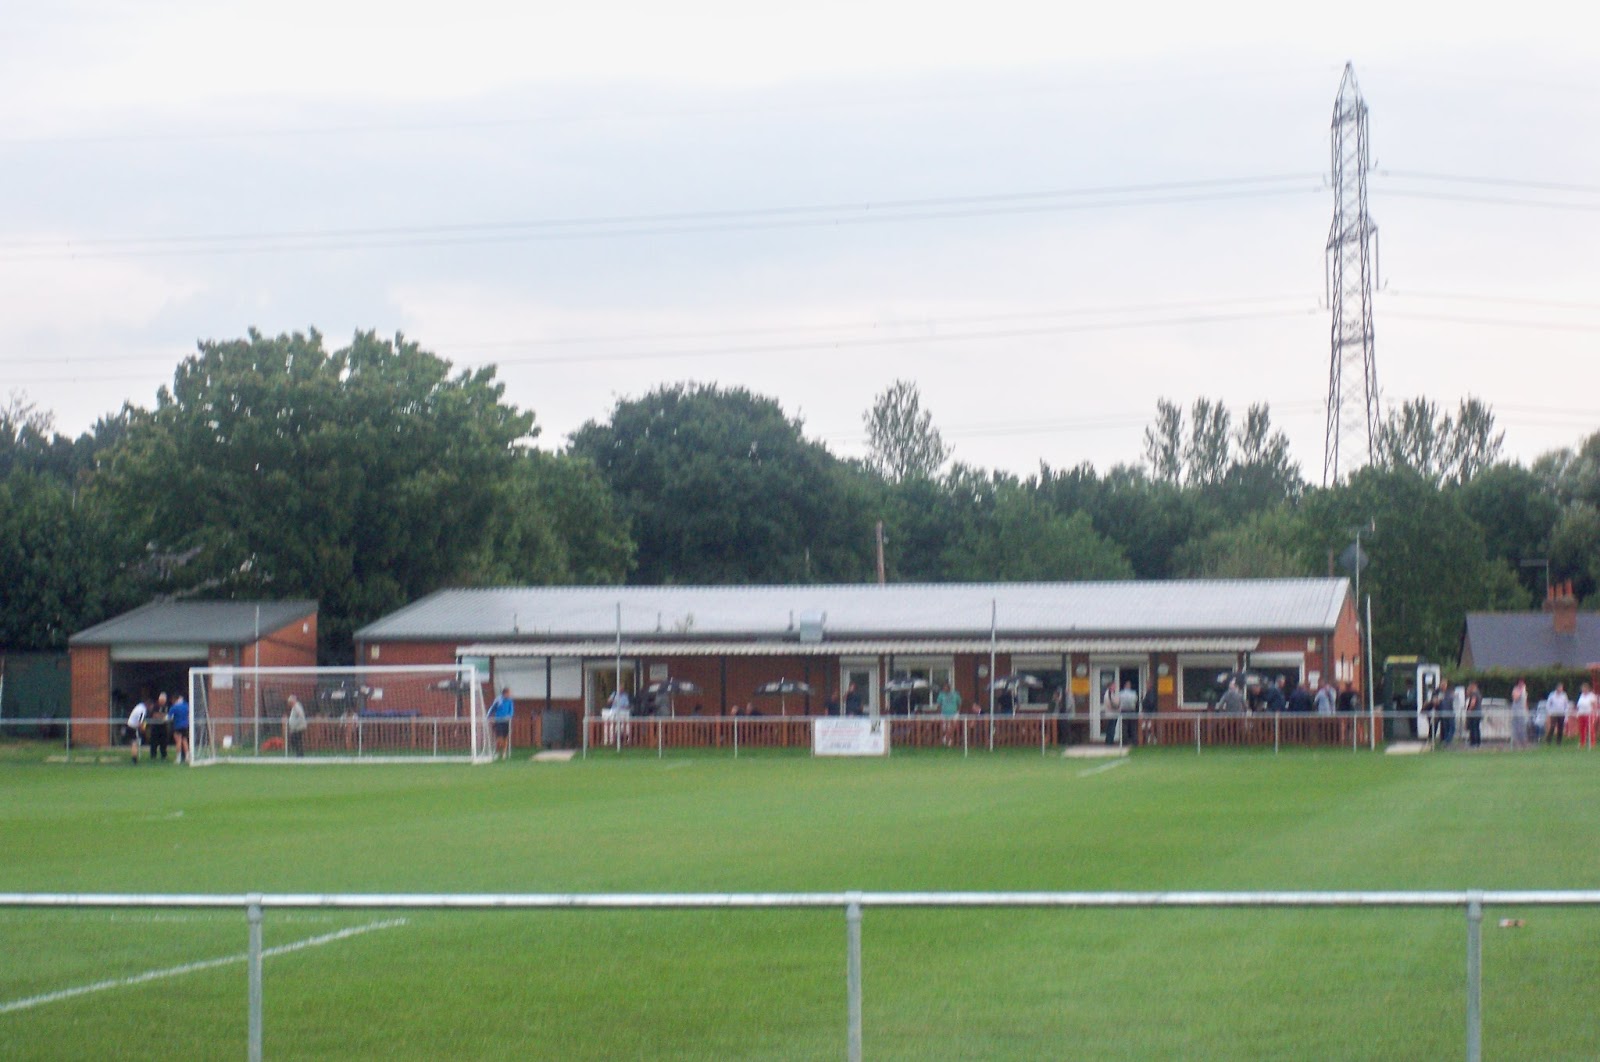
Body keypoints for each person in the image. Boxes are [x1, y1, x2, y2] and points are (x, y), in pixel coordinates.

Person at [488, 686, 515, 760]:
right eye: (509, 693)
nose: (510, 694)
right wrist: (488, 716)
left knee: (505, 738)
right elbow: (492, 708)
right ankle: (496, 751)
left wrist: (510, 716)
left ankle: (504, 753)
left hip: (506, 721)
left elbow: (511, 710)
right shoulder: (498, 700)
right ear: (505, 693)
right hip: (498, 721)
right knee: (499, 738)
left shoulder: (510, 701)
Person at [935, 681, 961, 747]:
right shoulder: (941, 695)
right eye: (944, 688)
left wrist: (958, 711)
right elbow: (939, 705)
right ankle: (948, 740)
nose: (945, 689)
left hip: (954, 713)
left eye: (946, 687)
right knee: (945, 727)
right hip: (944, 714)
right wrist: (939, 713)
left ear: (949, 688)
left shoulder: (955, 694)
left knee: (953, 727)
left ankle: (947, 739)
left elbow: (959, 703)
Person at [147, 693, 172, 761]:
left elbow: (169, 715)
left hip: (163, 726)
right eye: (161, 700)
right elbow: (155, 715)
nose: (163, 702)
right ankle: (153, 756)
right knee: (154, 742)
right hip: (155, 727)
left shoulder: (167, 706)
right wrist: (163, 716)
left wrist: (163, 716)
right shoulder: (155, 706)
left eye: (164, 701)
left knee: (163, 742)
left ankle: (164, 755)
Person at [125, 697, 149, 765]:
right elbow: (141, 722)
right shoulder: (143, 710)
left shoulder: (139, 706)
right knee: (135, 743)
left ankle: (134, 759)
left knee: (134, 743)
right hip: (133, 727)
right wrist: (144, 731)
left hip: (129, 724)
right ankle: (134, 759)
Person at [169, 691, 191, 764]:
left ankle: (178, 758)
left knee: (178, 741)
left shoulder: (174, 707)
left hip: (177, 726)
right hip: (185, 725)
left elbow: (169, 717)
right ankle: (187, 757)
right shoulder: (186, 705)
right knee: (185, 740)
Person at [1577, 682, 1598, 750]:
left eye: (1584, 688)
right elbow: (1579, 705)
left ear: (1587, 688)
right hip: (1581, 713)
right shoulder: (1581, 695)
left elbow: (1594, 705)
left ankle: (1592, 742)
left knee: (1590, 728)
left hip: (1589, 714)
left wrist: (1593, 712)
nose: (1583, 690)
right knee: (1581, 728)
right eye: (1582, 688)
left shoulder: (1591, 695)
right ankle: (1582, 742)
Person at [1509, 678, 1530, 749]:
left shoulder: (1525, 691)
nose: (1522, 684)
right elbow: (1515, 698)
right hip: (1516, 711)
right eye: (1520, 683)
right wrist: (1521, 691)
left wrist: (1527, 711)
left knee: (1523, 727)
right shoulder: (1515, 690)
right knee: (1516, 727)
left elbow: (1525, 701)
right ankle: (1516, 743)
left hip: (1522, 711)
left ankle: (1524, 742)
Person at [1463, 681, 1484, 749]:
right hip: (1478, 713)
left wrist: (1469, 710)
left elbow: (1473, 703)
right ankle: (1477, 742)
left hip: (1474, 714)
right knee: (1476, 728)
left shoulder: (1474, 693)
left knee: (1473, 728)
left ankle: (1474, 742)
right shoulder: (1478, 693)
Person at [1118, 680, 1139, 747]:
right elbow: (1136, 700)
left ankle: (1125, 741)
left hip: (1124, 710)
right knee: (1133, 726)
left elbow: (1119, 701)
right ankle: (1134, 741)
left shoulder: (1120, 693)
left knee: (1125, 726)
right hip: (1131, 710)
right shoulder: (1133, 693)